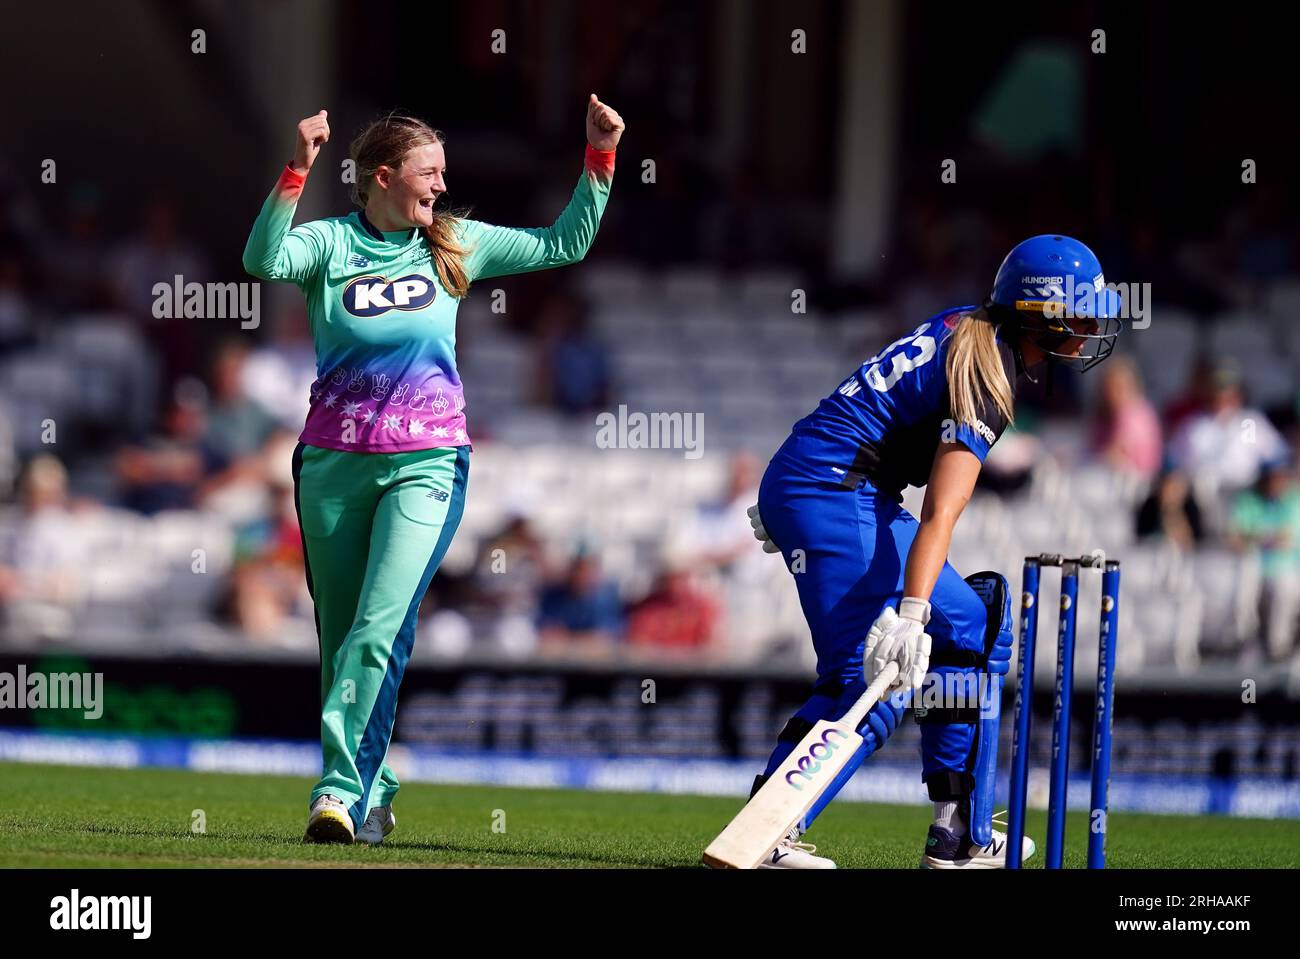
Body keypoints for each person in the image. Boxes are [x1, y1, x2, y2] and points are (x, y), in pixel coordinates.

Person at [242, 97, 624, 845]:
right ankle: (373, 784)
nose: (442, 186)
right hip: (331, 465)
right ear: (383, 177)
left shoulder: (455, 241)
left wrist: (600, 156)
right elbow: (263, 260)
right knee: (343, 640)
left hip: (428, 462)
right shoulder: (329, 243)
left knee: (379, 627)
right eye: (429, 173)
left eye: (443, 173)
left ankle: (336, 792)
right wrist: (296, 169)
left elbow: (565, 242)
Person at [741, 235, 1123, 869]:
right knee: (872, 673)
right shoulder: (987, 371)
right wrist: (913, 614)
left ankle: (958, 833)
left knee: (973, 624)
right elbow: (942, 510)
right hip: (832, 490)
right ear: (1040, 314)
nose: (1090, 329)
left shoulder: (967, 328)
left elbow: (861, 407)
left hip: (818, 481)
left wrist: (788, 494)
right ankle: (769, 831)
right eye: (1079, 315)